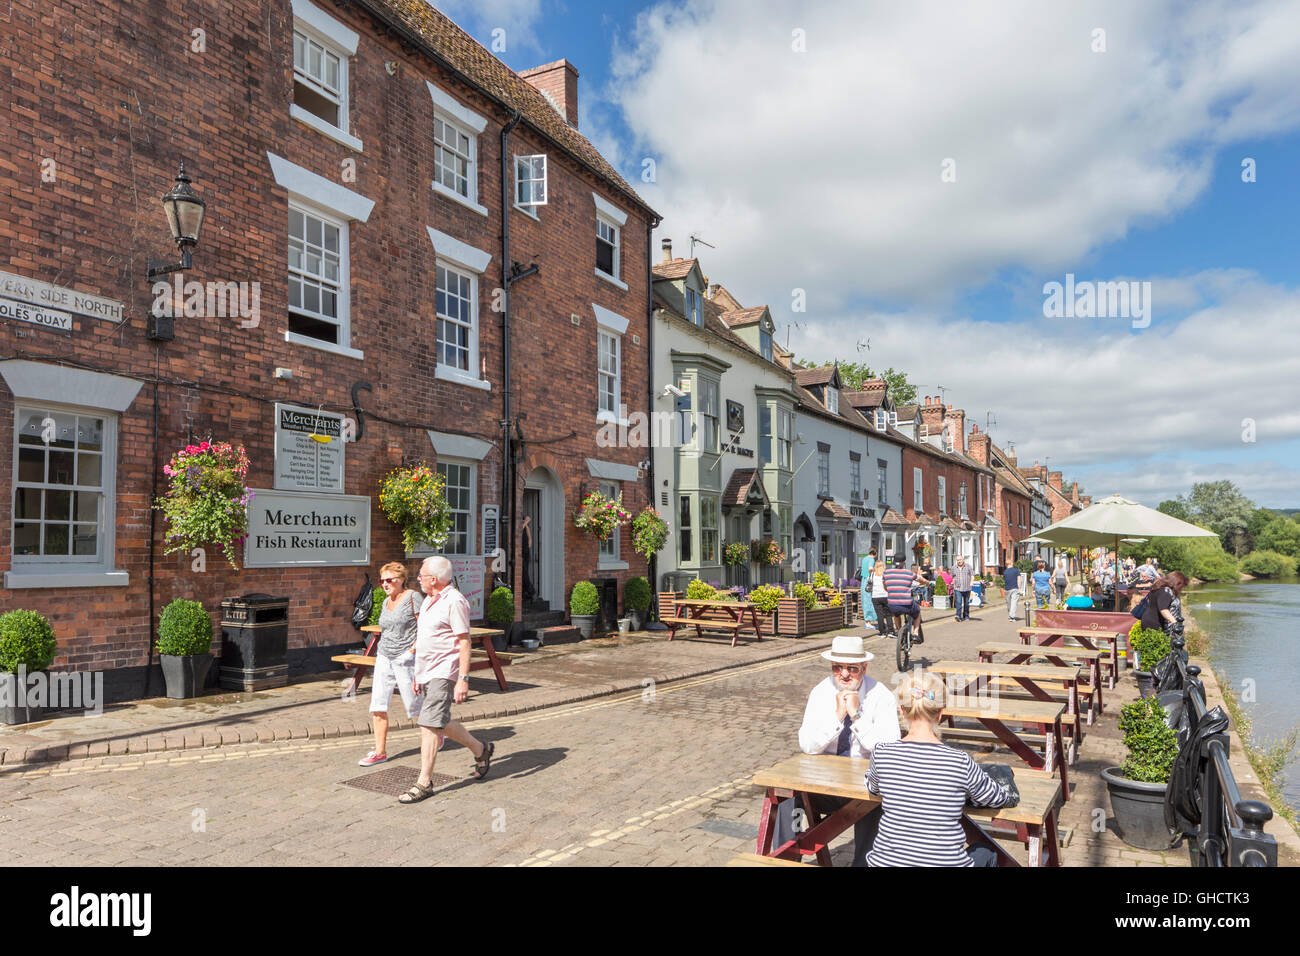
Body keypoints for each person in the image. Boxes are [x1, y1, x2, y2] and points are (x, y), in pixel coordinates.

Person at [771, 636, 900, 865]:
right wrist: (838, 717)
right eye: (837, 668)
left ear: (865, 667)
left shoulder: (881, 696)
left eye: (852, 668)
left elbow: (890, 750)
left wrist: (856, 716)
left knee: (879, 799)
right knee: (786, 799)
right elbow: (807, 745)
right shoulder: (820, 693)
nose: (844, 674)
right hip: (824, 788)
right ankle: (786, 859)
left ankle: (864, 862)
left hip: (866, 789)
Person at [865, 669, 1015, 867]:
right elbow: (997, 798)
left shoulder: (882, 753)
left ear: (901, 710)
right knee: (986, 852)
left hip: (884, 864)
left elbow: (872, 787)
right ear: (941, 712)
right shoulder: (959, 761)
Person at [399, 556, 495, 804]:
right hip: (427, 670)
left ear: (434, 579)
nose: (418, 578)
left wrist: (463, 679)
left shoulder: (455, 601)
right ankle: (480, 749)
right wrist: (418, 674)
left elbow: (464, 641)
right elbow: (425, 638)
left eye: (421, 575)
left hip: (444, 670)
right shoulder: (430, 601)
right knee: (440, 721)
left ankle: (424, 782)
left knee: (428, 723)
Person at [359, 561, 423, 767]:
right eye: (382, 580)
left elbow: (424, 629)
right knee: (378, 703)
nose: (385, 584)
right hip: (385, 656)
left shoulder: (413, 598)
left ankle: (436, 733)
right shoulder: (386, 601)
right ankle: (380, 752)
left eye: (390, 580)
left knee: (415, 704)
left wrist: (412, 651)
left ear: (402, 580)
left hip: (406, 657)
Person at [883, 556, 924, 644]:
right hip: (907, 604)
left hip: (892, 604)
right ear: (904, 562)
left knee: (896, 614)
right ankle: (916, 633)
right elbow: (920, 579)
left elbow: (885, 587)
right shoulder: (909, 573)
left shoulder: (886, 573)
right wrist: (928, 583)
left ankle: (899, 631)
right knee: (917, 611)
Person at [1142, 571, 1188, 640]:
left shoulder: (1158, 588)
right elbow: (1163, 609)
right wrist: (1175, 622)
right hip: (1155, 625)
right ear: (1176, 583)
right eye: (1181, 587)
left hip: (1149, 621)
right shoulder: (1166, 591)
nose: (1181, 589)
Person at [870, 559, 894, 637]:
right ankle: (891, 631)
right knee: (888, 614)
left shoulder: (872, 574)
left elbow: (869, 582)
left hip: (875, 596)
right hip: (885, 596)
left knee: (879, 615)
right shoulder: (886, 574)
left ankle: (882, 632)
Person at [860, 547, 878, 629]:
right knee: (869, 601)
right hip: (869, 582)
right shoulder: (871, 559)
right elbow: (870, 568)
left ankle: (867, 621)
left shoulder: (864, 559)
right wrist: (876, 570)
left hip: (864, 581)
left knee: (865, 601)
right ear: (875, 553)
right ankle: (868, 622)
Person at [951, 556, 973, 622]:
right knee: (958, 602)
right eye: (957, 560)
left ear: (963, 560)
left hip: (967, 587)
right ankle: (958, 615)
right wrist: (952, 582)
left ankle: (966, 616)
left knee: (966, 603)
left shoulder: (968, 566)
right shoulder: (953, 568)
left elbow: (972, 575)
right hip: (958, 588)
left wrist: (971, 582)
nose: (959, 561)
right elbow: (952, 577)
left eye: (960, 560)